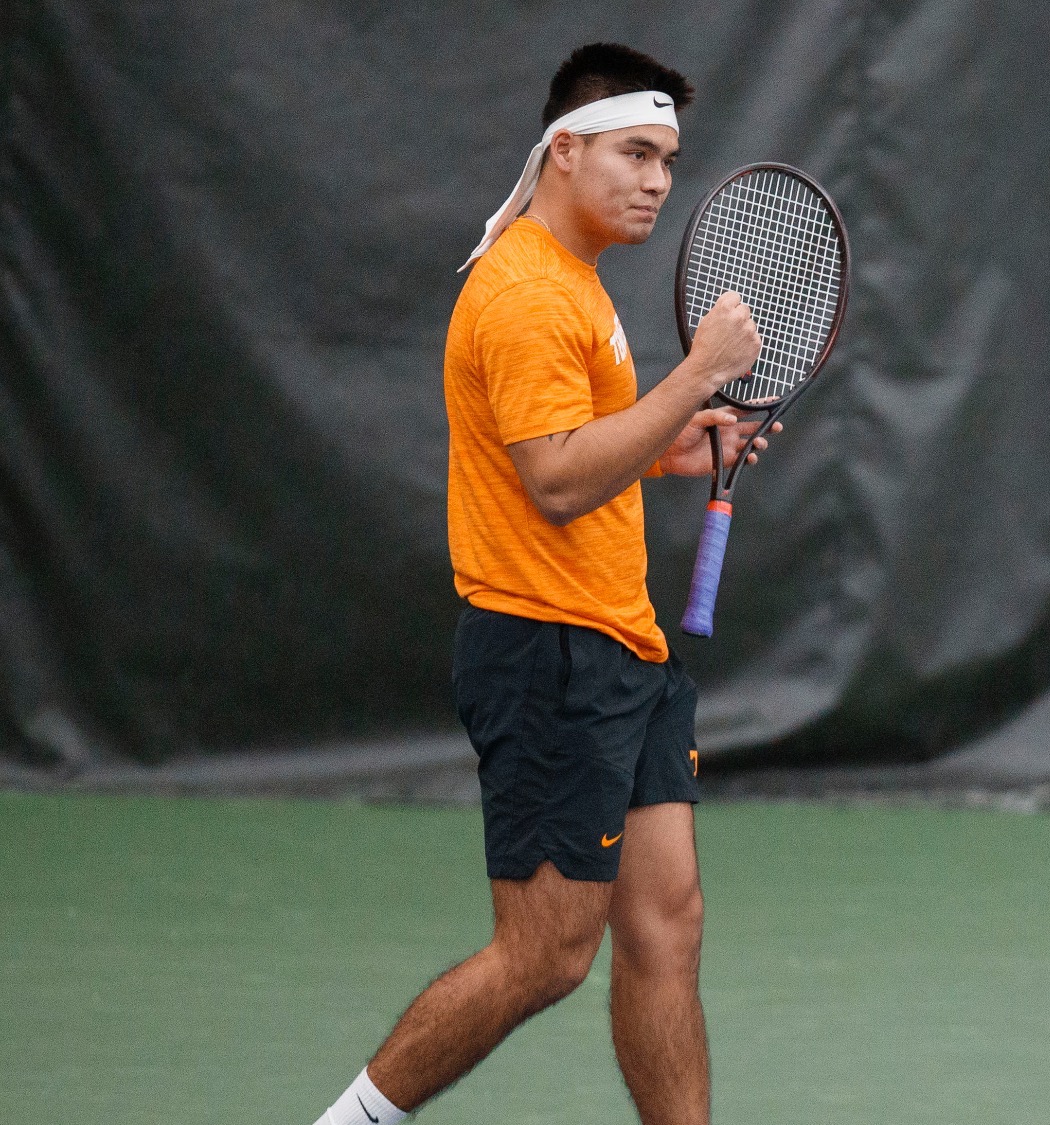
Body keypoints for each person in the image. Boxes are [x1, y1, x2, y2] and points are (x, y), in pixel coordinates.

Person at [311, 42, 767, 1125]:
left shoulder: (575, 282)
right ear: (564, 151)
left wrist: (669, 446)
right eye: (635, 154)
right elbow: (556, 484)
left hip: (624, 646)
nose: (657, 180)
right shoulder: (523, 292)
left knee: (664, 928)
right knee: (545, 955)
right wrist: (697, 375)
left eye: (667, 160)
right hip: (548, 651)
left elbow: (575, 449)